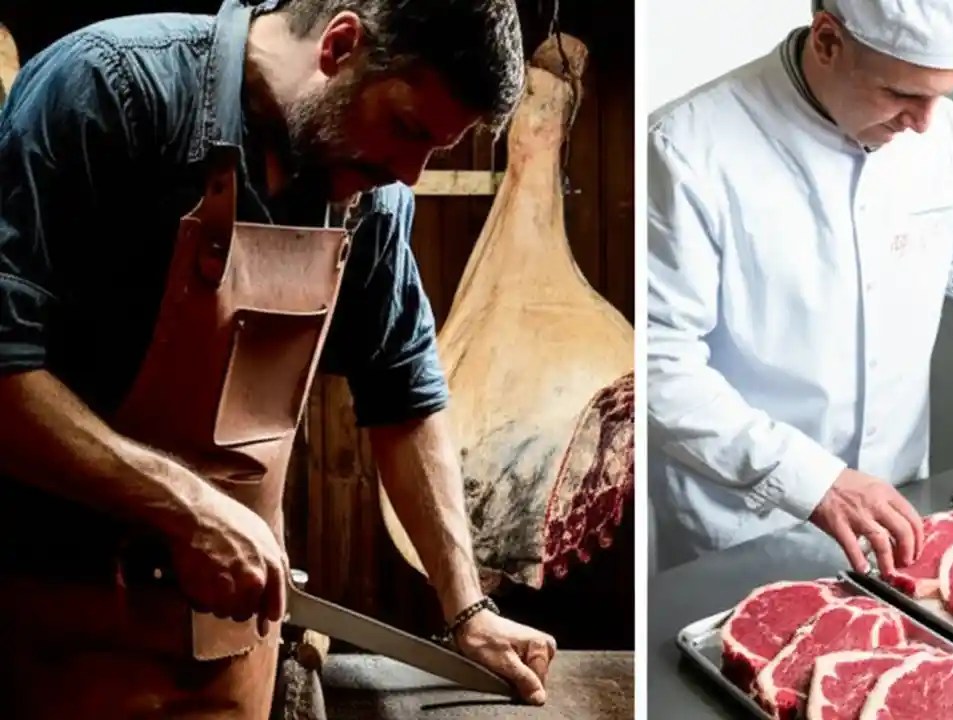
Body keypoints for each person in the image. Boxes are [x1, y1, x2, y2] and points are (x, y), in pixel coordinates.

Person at [0, 0, 557, 717]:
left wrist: (466, 610)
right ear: (340, 46)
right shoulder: (110, 90)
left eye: (435, 154)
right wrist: (187, 508)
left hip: (237, 648)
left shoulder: (373, 198)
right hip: (56, 636)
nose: (410, 175)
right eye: (409, 130)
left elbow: (404, 394)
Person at [647, 0, 953, 574]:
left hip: (899, 507)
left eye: (942, 95)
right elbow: (659, 360)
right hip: (746, 523)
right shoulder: (687, 147)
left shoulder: (944, 134)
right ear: (827, 40)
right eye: (903, 94)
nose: (924, 122)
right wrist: (815, 482)